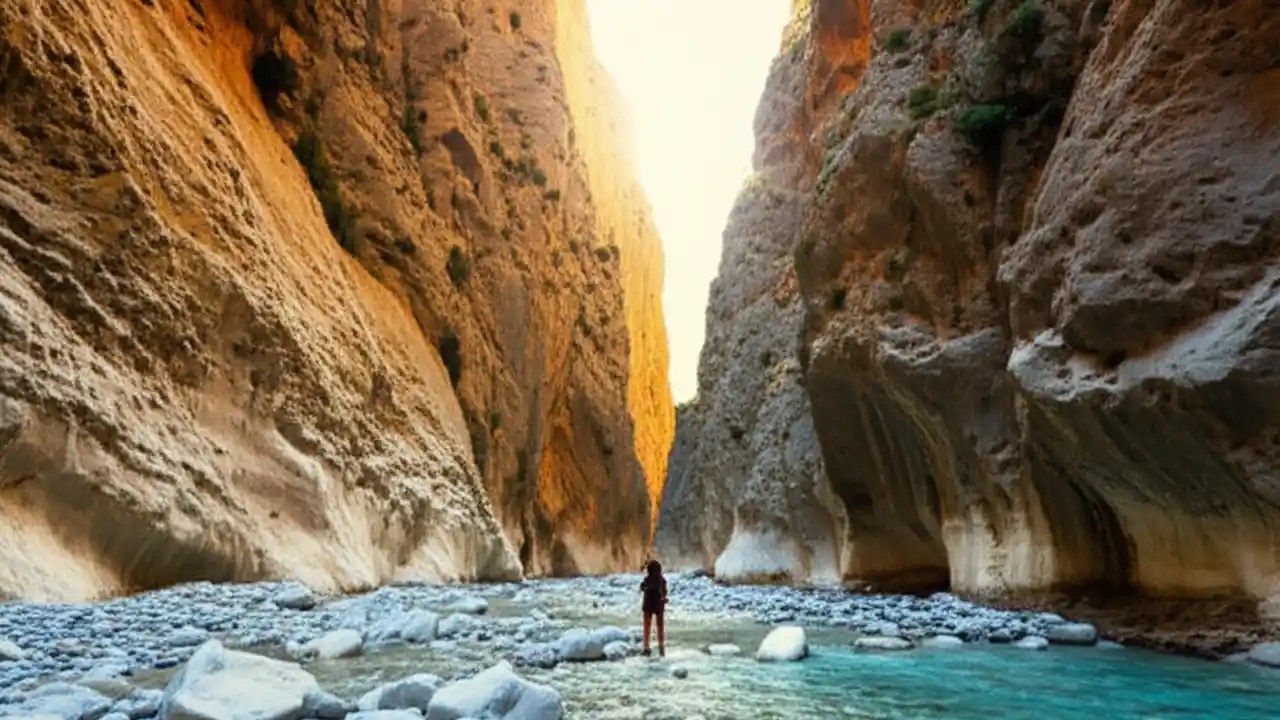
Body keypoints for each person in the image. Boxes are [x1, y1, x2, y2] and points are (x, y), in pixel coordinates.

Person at [640, 559, 667, 657]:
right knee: (660, 627)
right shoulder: (662, 580)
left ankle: (646, 647)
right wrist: (664, 598)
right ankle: (661, 647)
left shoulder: (647, 580)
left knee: (647, 627)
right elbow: (664, 592)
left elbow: (642, 588)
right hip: (659, 606)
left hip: (648, 605)